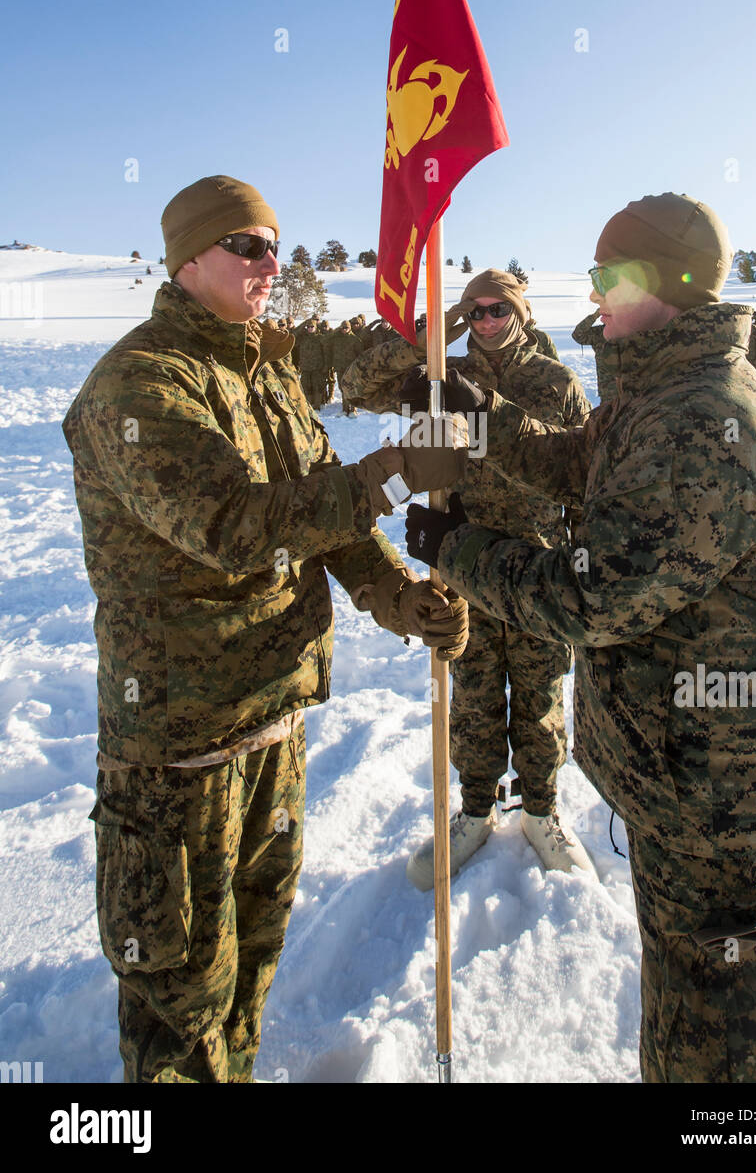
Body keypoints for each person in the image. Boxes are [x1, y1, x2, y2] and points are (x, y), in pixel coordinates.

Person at [370, 192, 756, 1082]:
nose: (597, 294)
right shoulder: (656, 392)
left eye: (611, 275)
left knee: (727, 1053)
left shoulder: (701, 419)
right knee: (687, 1019)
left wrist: (457, 549)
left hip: (725, 799)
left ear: (668, 282)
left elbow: (592, 600)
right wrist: (477, 413)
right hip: (685, 781)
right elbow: (572, 461)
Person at [63, 173, 469, 1083]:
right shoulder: (140, 382)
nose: (269, 263)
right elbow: (232, 527)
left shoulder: (264, 369)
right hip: (179, 752)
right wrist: (395, 470)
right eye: (246, 245)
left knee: (250, 966)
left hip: (271, 726)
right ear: (188, 259)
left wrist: (398, 595)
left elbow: (322, 506)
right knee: (181, 1003)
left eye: (274, 244)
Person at [343, 270, 593, 886]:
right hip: (460, 562)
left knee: (538, 700)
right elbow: (354, 387)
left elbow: (586, 476)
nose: (484, 323)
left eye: (496, 311)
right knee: (474, 696)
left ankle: (541, 810)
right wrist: (425, 339)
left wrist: (583, 566)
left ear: (521, 314)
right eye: (473, 312)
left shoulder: (555, 383)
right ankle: (476, 809)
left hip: (537, 569)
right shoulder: (441, 378)